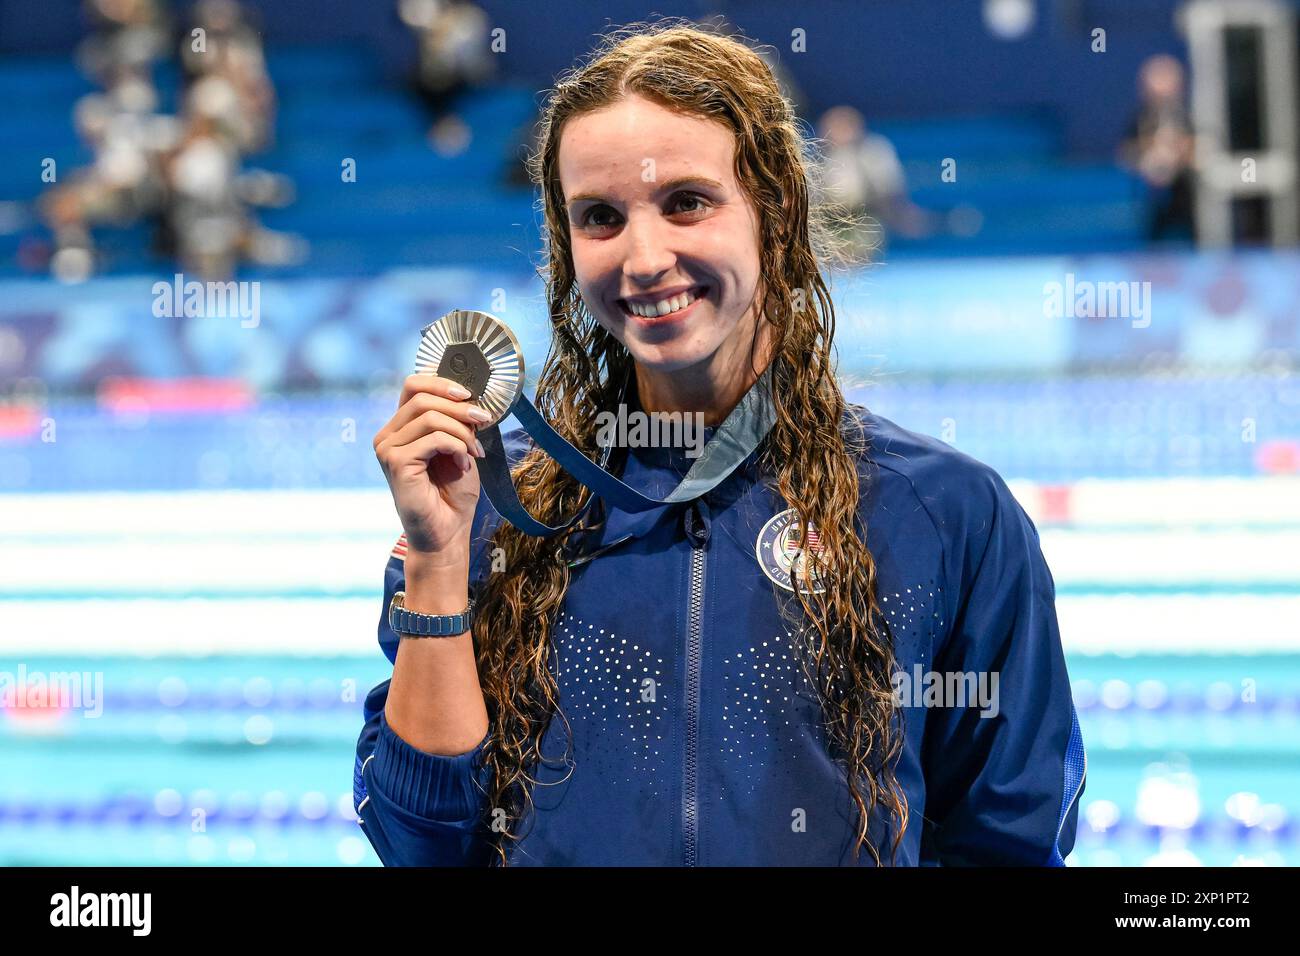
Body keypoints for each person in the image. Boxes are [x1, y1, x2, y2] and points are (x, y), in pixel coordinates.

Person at [355, 20, 1084, 866]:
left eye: (686, 202)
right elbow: (423, 845)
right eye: (599, 218)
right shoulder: (487, 504)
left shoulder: (948, 513)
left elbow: (1010, 841)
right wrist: (437, 565)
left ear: (774, 208)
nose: (644, 257)